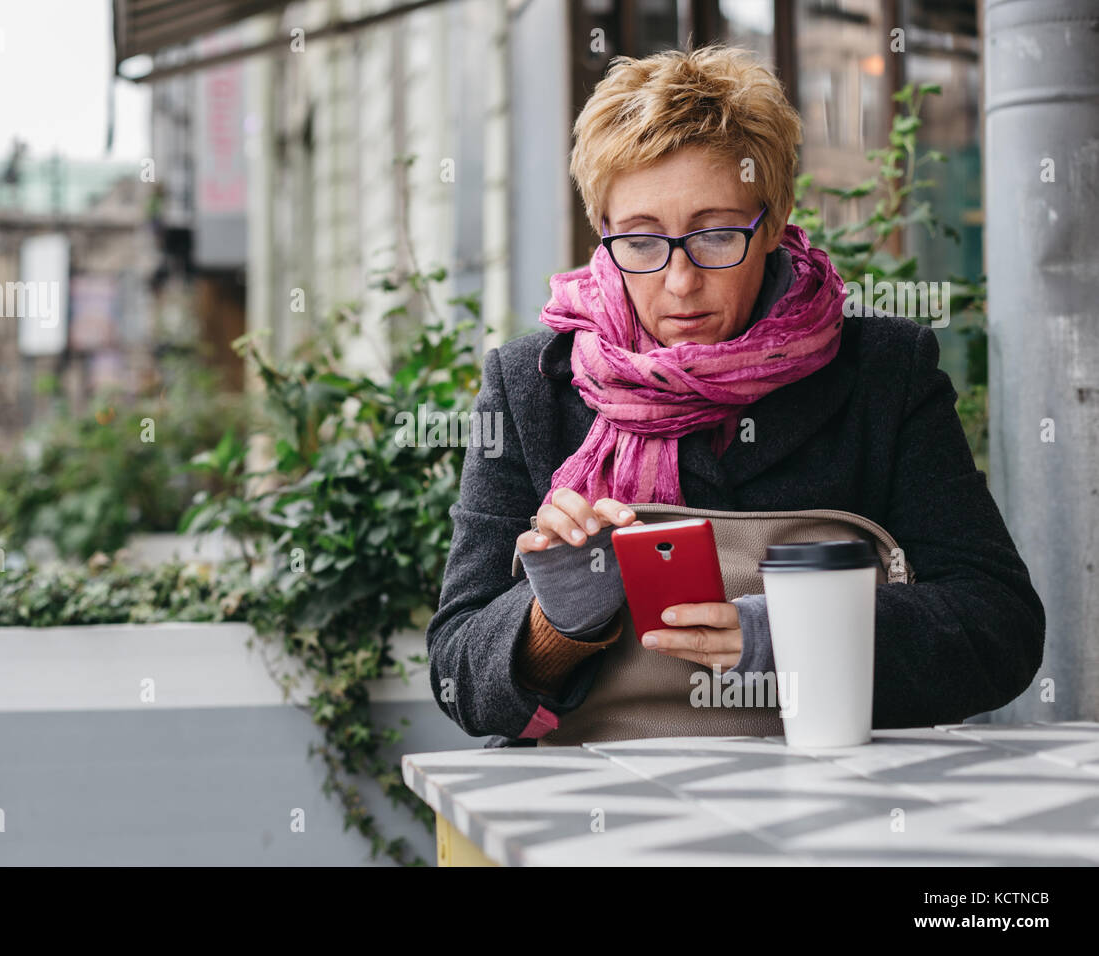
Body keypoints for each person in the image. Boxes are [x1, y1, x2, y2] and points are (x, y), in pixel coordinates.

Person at [426, 44, 1045, 747]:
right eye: (641, 241)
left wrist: (801, 636)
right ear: (603, 234)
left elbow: (1001, 628)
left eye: (717, 235)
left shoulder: (884, 372)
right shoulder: (530, 386)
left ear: (774, 221)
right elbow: (455, 674)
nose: (680, 281)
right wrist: (557, 621)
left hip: (837, 793)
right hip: (599, 798)